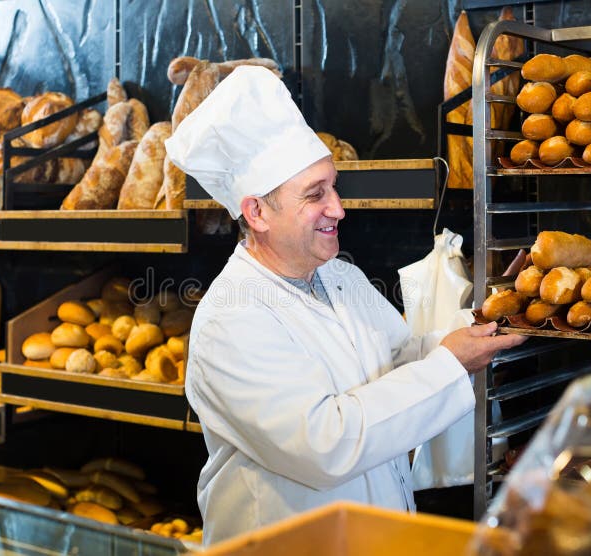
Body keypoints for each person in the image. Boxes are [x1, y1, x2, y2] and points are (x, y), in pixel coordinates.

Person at [165, 66, 525, 545]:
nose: (338, 208)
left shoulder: (339, 276)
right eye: (316, 195)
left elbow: (399, 358)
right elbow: (326, 445)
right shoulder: (231, 320)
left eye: (333, 187)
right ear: (257, 212)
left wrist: (483, 320)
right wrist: (452, 365)